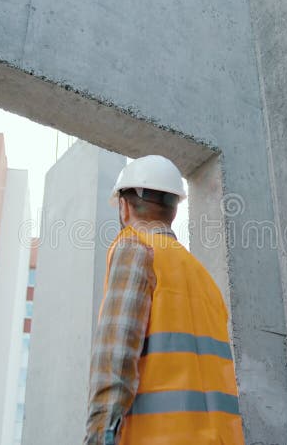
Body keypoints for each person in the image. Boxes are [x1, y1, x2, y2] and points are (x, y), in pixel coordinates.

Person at [84, 155, 245, 445]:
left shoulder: (135, 248)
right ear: (172, 209)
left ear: (123, 206)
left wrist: (98, 436)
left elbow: (115, 356)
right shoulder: (203, 278)